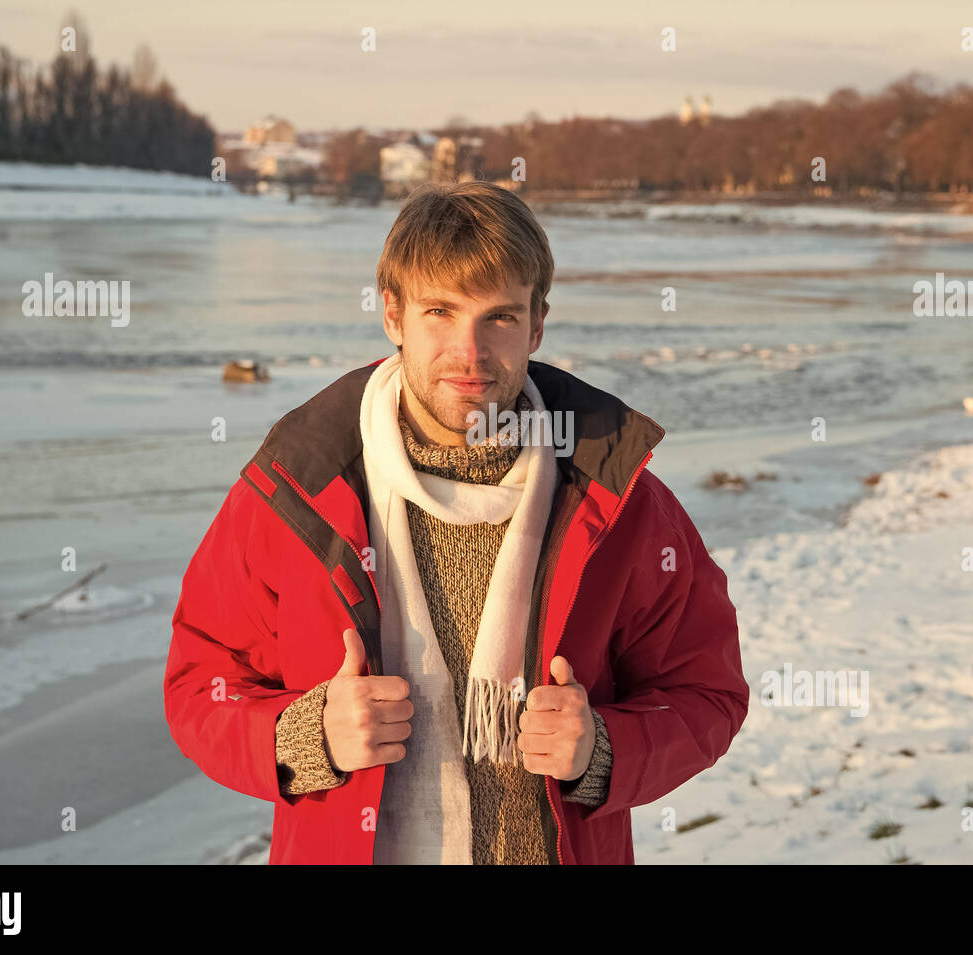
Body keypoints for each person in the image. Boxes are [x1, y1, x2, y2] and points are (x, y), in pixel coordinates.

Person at [163, 180, 749, 864]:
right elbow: (200, 685)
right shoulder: (296, 489)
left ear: (536, 324)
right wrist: (304, 736)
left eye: (498, 317)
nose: (469, 352)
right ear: (393, 314)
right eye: (439, 311)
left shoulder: (620, 501)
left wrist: (602, 748)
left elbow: (707, 692)